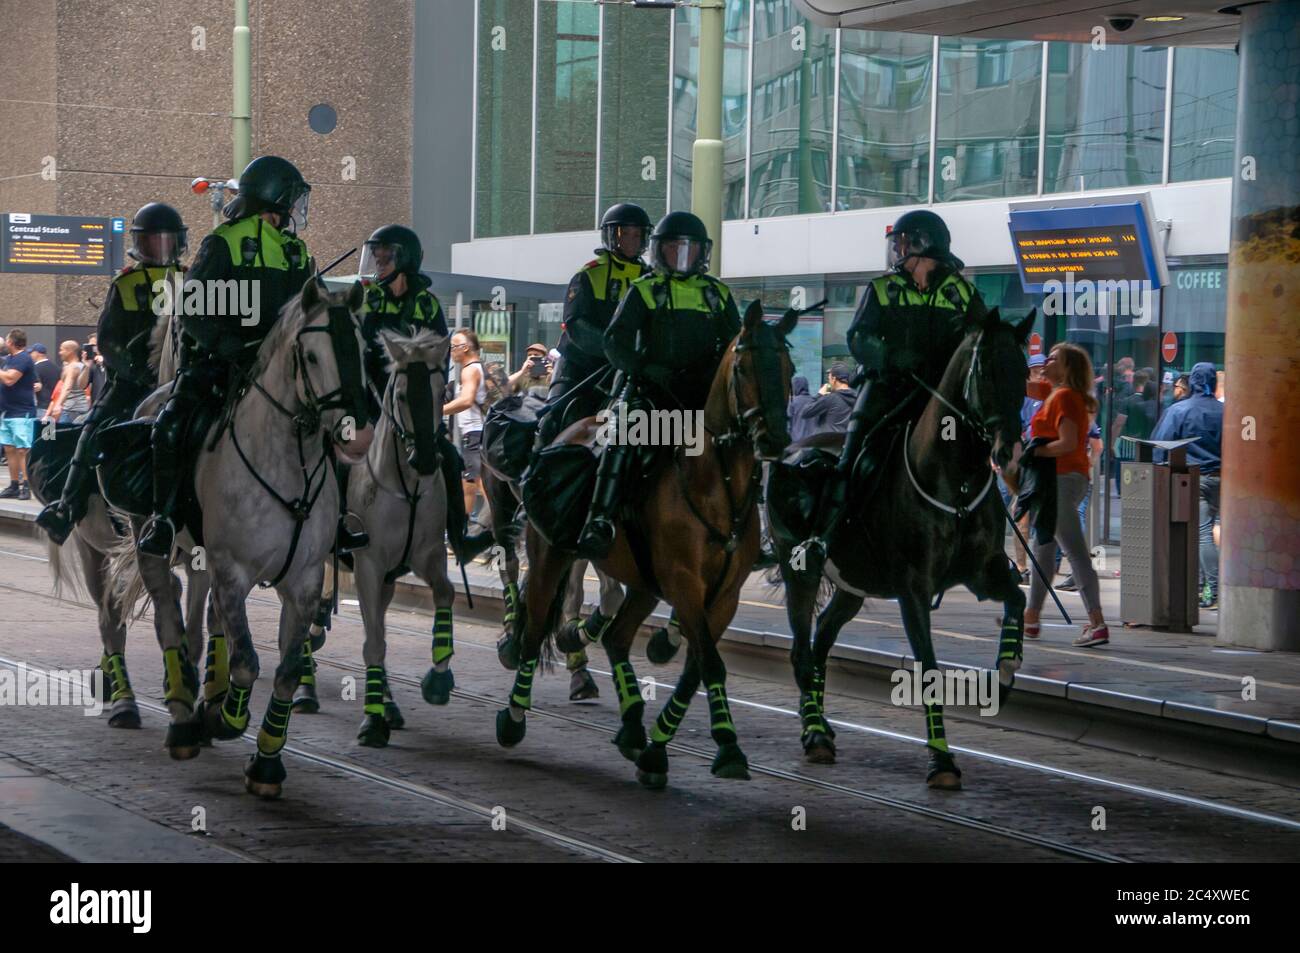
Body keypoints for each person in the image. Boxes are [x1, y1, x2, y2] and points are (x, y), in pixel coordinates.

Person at [138, 156, 314, 557]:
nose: (297, 208)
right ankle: (162, 520)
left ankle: (336, 523)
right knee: (169, 425)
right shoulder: (224, 241)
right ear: (275, 197)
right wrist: (227, 344)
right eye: (293, 198)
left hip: (278, 369)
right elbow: (192, 308)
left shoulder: (297, 252)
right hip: (217, 364)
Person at [805, 209, 988, 561]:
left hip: (941, 398)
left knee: (971, 451)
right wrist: (890, 356)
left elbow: (981, 340)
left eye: (904, 244)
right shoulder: (881, 288)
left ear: (926, 247)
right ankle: (824, 534)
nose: (897, 251)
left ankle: (986, 541)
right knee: (853, 449)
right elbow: (858, 337)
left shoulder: (962, 293)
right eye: (896, 244)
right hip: (887, 388)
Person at [575, 210, 741, 560]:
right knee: (618, 437)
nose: (681, 257)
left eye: (688, 249)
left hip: (702, 402)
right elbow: (614, 342)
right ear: (659, 251)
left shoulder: (718, 293)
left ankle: (747, 526)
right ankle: (600, 519)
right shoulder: (644, 289)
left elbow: (734, 347)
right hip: (652, 396)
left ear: (701, 253)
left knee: (743, 446)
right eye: (672, 249)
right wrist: (645, 369)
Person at [36, 202, 189, 544]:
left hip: (179, 382)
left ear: (179, 243)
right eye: (153, 242)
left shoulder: (190, 281)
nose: (161, 249)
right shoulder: (125, 284)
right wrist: (138, 371)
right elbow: (108, 340)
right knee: (93, 427)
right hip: (130, 384)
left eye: (166, 241)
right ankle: (67, 505)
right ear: (140, 245)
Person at [343, 223, 456, 553]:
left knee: (448, 456)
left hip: (411, 405)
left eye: (385, 256)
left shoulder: (428, 305)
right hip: (367, 400)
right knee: (335, 453)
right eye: (375, 255)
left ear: (405, 259)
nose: (378, 261)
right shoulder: (365, 299)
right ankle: (336, 527)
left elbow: (441, 354)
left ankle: (459, 535)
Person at [535, 203, 652, 451]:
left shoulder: (652, 279)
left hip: (630, 368)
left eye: (637, 235)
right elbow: (576, 325)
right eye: (625, 234)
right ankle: (535, 475)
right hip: (580, 366)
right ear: (611, 236)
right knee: (550, 420)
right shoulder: (588, 275)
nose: (632, 240)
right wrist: (615, 350)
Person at [1021, 343, 1111, 647]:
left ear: (1067, 368)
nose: (1046, 361)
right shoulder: (1055, 392)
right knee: (1043, 548)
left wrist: (1036, 452)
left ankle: (1097, 622)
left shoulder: (1063, 397)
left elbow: (1068, 443)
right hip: (1060, 479)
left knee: (1074, 552)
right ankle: (1030, 618)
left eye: (1053, 359)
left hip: (1060, 479)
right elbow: (1027, 385)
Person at [1151, 362, 1223, 608]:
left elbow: (1160, 445)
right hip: (1222, 479)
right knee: (1210, 530)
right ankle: (1202, 587)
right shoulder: (1227, 411)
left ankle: (1212, 590)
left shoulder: (1179, 410)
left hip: (1192, 478)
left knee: (1201, 534)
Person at [442, 329, 488, 529]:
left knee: (483, 487)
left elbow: (467, 400)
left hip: (475, 435)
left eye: (454, 346)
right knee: (467, 486)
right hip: (477, 435)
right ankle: (462, 531)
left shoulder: (469, 370)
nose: (451, 350)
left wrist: (437, 411)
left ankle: (501, 535)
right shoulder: (480, 368)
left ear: (466, 348)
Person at [0, 328, 39, 499]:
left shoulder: (23, 358)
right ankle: (14, 484)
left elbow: (9, 379)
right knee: (9, 448)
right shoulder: (9, 359)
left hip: (22, 411)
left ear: (11, 342)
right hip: (8, 411)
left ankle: (26, 486)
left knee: (23, 449)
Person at [797, 362, 856, 435]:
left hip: (828, 442)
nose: (829, 382)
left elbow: (805, 412)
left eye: (829, 379)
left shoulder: (830, 398)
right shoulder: (857, 397)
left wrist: (819, 394)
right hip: (846, 442)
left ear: (834, 379)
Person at [47, 341, 91, 423]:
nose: (60, 353)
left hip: (70, 411)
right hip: (81, 409)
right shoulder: (81, 366)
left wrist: (58, 405)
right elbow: (82, 386)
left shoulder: (72, 367)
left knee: (60, 435)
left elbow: (67, 388)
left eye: (61, 350)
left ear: (70, 351)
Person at [31, 344, 60, 417]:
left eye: (31, 352)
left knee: (40, 427)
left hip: (41, 407)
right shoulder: (56, 367)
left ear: (37, 353)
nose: (30, 355)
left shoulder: (35, 368)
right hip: (53, 406)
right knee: (49, 428)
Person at [787, 376, 814, 443]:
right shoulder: (815, 401)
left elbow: (788, 424)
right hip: (813, 443)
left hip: (797, 443)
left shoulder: (792, 402)